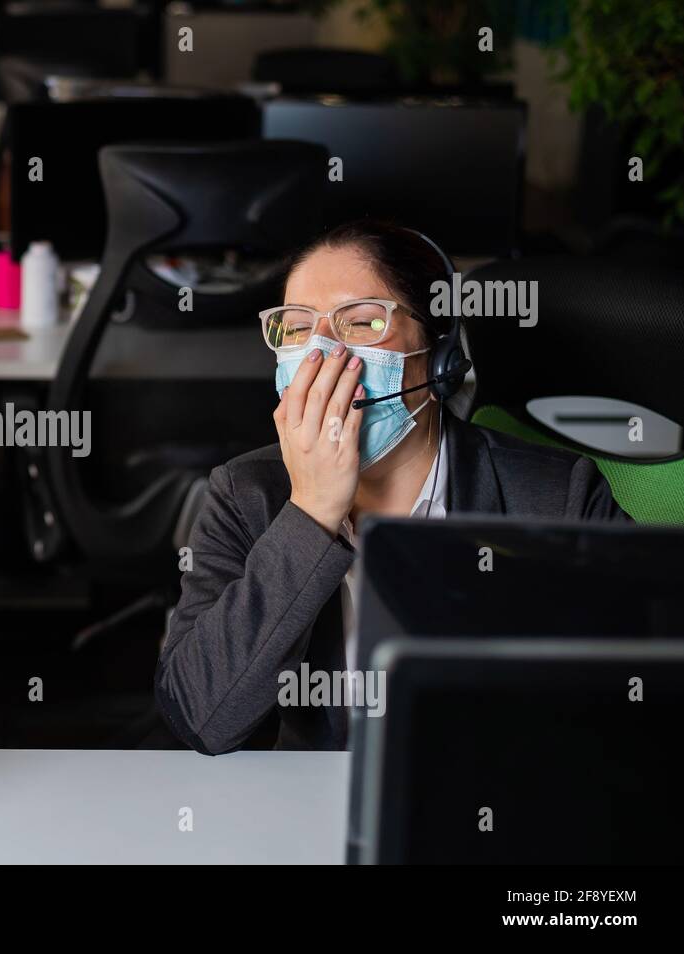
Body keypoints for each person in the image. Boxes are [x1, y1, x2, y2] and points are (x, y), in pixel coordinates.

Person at [155, 220, 630, 754]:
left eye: (360, 323)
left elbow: (635, 699)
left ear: (441, 354)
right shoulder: (246, 494)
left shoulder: (558, 495)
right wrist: (311, 512)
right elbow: (200, 716)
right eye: (296, 327)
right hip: (313, 814)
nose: (321, 355)